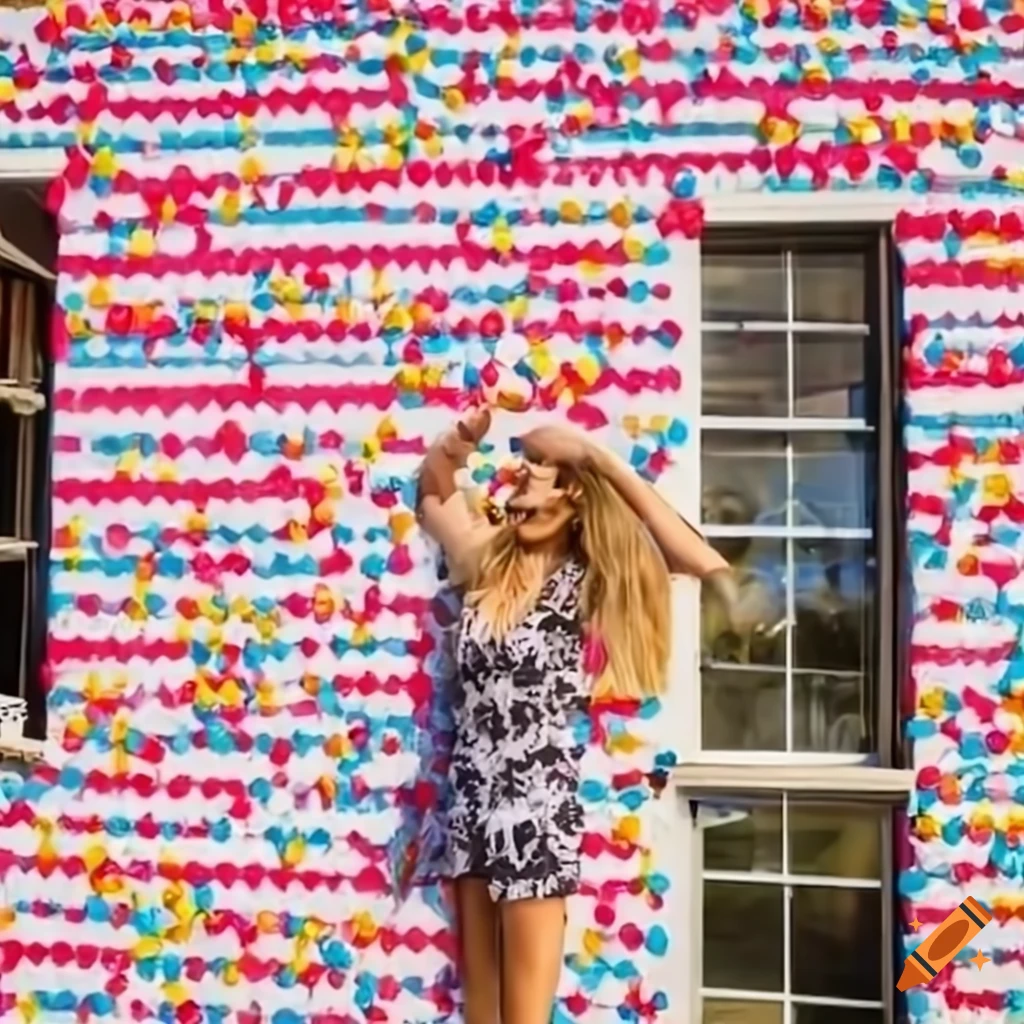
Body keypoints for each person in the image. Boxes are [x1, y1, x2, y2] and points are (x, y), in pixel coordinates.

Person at [417, 409, 733, 1024]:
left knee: (523, 1016)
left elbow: (700, 561)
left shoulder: (589, 580)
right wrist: (458, 442)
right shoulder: (490, 561)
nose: (514, 484)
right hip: (472, 799)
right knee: (482, 1014)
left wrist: (597, 458)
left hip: (535, 807)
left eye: (533, 476)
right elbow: (434, 490)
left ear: (573, 496)